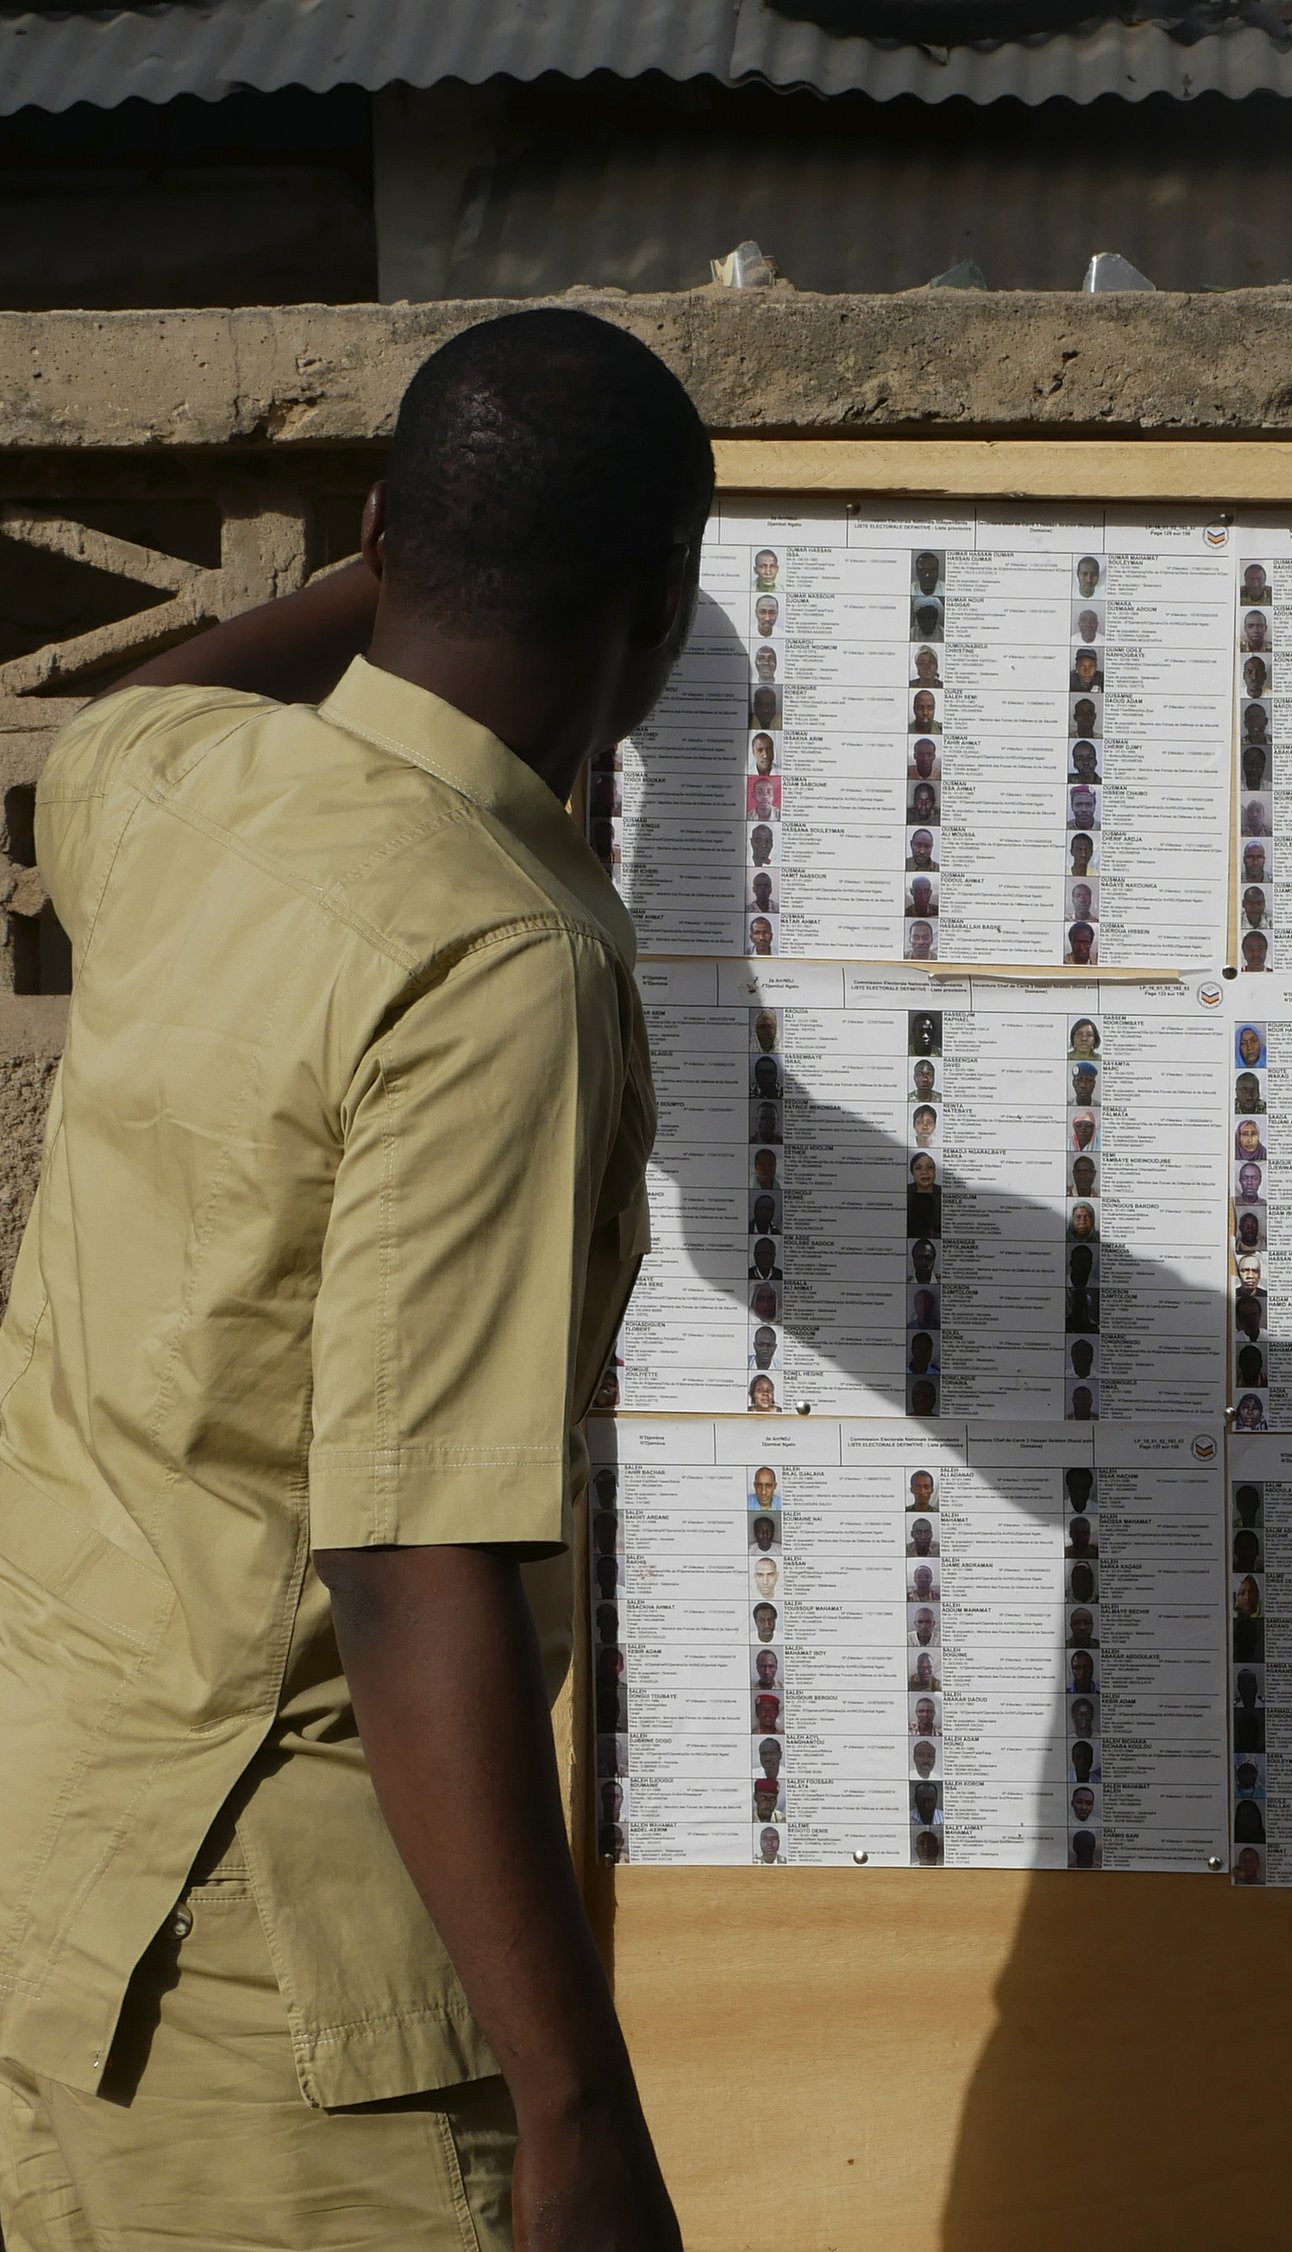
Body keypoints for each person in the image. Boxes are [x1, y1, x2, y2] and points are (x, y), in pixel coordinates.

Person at [0, 310, 694, 2242]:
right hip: (274, 1988)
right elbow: (407, 1572)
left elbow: (155, 688)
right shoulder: (495, 962)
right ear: (662, 607)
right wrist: (579, 2120)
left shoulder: (170, 790)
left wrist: (404, 557)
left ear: (380, 535)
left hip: (47, 1876)